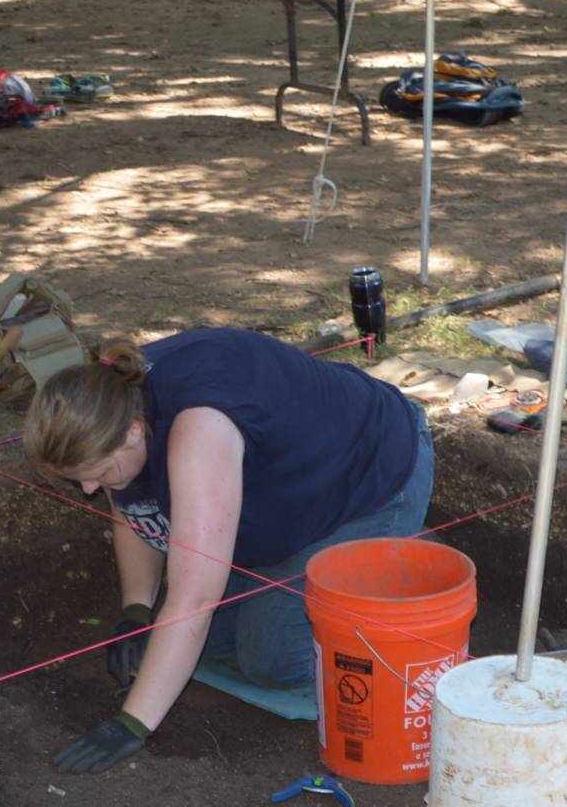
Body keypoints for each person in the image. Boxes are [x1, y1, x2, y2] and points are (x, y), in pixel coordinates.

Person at [22, 328, 432, 773]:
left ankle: (403, 556)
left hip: (368, 481)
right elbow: (133, 507)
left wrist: (131, 725)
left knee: (273, 658)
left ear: (134, 432)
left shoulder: (202, 429)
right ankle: (307, 570)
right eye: (79, 480)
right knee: (199, 640)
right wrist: (135, 612)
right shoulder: (113, 403)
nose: (88, 489)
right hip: (288, 496)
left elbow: (194, 601)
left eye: (97, 473)